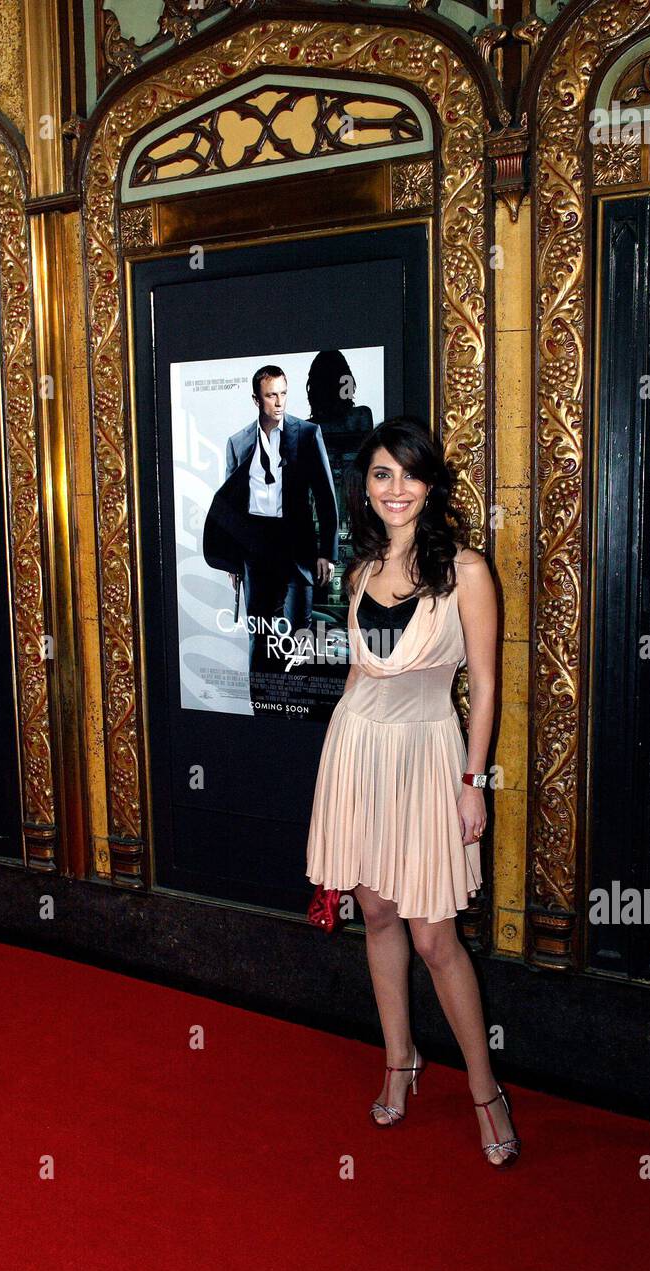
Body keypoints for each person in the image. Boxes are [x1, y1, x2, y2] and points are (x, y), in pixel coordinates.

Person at [305, 416, 521, 1168]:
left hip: (430, 756)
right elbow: (358, 675)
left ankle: (485, 1089)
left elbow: (486, 686)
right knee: (375, 911)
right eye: (380, 475)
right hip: (358, 750)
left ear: (430, 484)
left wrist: (473, 783)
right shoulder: (360, 570)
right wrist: (339, 775)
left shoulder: (466, 570)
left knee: (435, 936)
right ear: (364, 488)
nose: (395, 489)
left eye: (408, 474)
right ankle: (399, 1059)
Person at [202, 364, 338, 683]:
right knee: (259, 635)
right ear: (256, 399)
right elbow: (230, 512)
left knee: (299, 634)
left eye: (283, 394)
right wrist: (233, 562)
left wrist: (326, 553)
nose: (279, 402)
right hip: (255, 549)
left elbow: (325, 494)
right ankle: (261, 706)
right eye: (271, 395)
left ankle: (298, 706)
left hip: (297, 548)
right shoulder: (238, 442)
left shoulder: (306, 434)